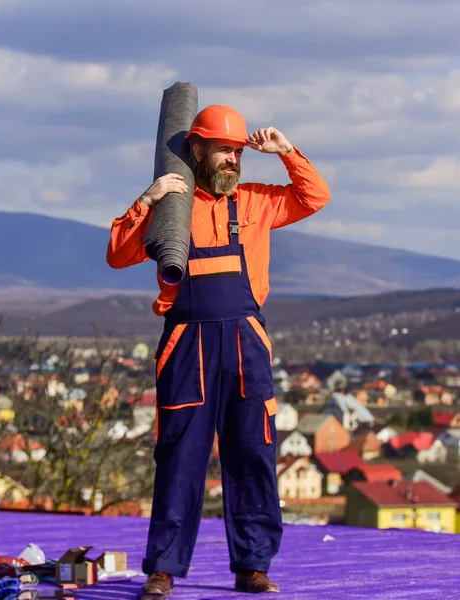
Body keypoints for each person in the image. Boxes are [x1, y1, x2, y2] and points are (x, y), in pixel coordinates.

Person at [107, 105, 331, 597]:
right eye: (224, 149)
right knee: (180, 455)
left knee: (253, 452)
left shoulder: (257, 201)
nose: (233, 158)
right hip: (186, 344)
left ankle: (253, 565)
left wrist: (287, 152)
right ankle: (163, 568)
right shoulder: (172, 207)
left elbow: (316, 197)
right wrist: (148, 199)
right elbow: (118, 254)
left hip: (246, 343)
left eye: (237, 151)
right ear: (198, 149)